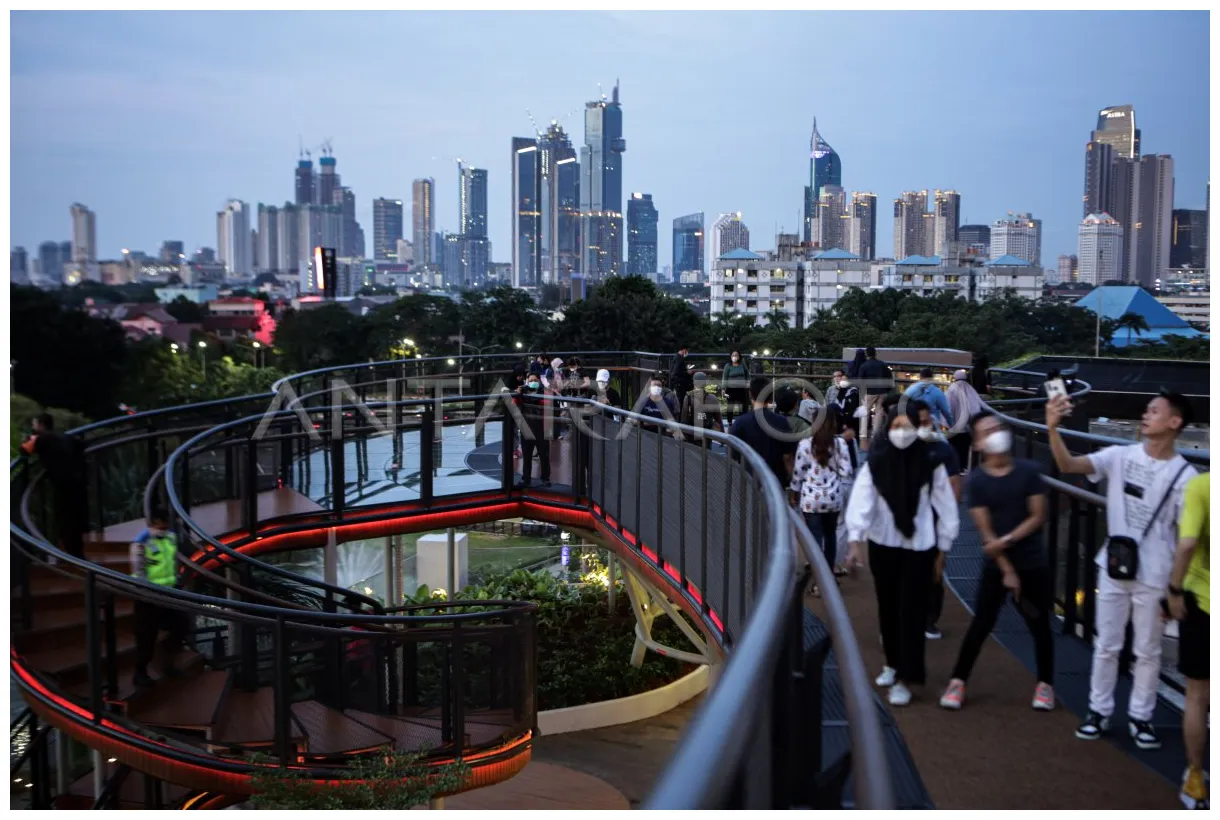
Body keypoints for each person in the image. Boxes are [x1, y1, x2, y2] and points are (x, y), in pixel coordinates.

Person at [1046, 390, 1196, 748]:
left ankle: (1140, 717)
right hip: (1113, 566)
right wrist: (1052, 430)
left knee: (1148, 650)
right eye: (1146, 410)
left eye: (1155, 411)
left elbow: (1185, 537)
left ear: (1175, 422)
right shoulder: (1120, 456)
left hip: (1155, 574)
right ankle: (1099, 711)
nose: (1146, 416)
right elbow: (1069, 466)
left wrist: (1175, 588)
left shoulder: (1186, 477)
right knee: (1106, 643)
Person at [844, 403, 959, 707]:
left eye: (908, 425)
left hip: (919, 546)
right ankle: (892, 664)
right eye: (896, 425)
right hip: (883, 542)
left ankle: (907, 677)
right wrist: (855, 540)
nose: (902, 431)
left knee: (911, 611)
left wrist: (943, 548)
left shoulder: (931, 462)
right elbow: (862, 501)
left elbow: (946, 506)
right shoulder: (877, 463)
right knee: (888, 607)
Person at [938, 413, 1054, 712]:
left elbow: (1038, 515)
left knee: (1040, 625)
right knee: (981, 623)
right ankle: (958, 681)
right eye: (986, 431)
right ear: (977, 443)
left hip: (1033, 562)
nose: (994, 434)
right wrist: (1007, 568)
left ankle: (1045, 684)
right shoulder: (976, 481)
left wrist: (1006, 541)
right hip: (996, 564)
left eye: (997, 428)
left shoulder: (1030, 471)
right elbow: (985, 532)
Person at [1169, 471, 1209, 809]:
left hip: (1203, 602)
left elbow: (1187, 542)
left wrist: (1173, 589)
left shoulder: (1202, 485)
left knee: (1196, 694)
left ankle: (1196, 776)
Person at [914, 401, 963, 641]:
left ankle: (928, 619)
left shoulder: (943, 450)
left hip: (934, 520)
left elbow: (955, 484)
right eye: (919, 422)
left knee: (935, 570)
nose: (924, 426)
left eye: (927, 421)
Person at [790, 416, 852, 596]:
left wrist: (794, 492)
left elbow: (798, 473)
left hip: (811, 501)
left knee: (815, 541)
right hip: (833, 499)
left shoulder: (805, 444)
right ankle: (830, 577)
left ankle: (818, 582)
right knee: (830, 537)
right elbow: (846, 471)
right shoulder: (840, 444)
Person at [129, 508, 188, 688]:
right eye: (159, 523)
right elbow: (139, 572)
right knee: (146, 636)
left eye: (165, 523)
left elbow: (174, 561)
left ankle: (168, 664)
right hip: (147, 597)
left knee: (180, 628)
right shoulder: (141, 542)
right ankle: (140, 672)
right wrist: (147, 593)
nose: (162, 527)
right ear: (152, 523)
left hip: (169, 593)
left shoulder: (171, 537)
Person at [21, 413, 88, 559]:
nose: (33, 427)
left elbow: (24, 450)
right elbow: (82, 445)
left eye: (34, 424)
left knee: (64, 519)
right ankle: (78, 554)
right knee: (76, 519)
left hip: (62, 484)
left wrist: (32, 440)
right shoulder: (65, 436)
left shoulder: (40, 438)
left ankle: (71, 557)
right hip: (79, 481)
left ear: (41, 425)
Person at [728, 376, 796, 486]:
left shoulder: (740, 423)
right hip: (775, 484)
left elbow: (732, 456)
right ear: (770, 396)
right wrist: (795, 486)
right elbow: (788, 457)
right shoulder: (782, 422)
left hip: (747, 483)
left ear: (750, 394)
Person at [515, 374, 553, 488]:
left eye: (535, 380)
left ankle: (545, 478)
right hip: (526, 427)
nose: (533, 382)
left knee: (544, 455)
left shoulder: (545, 392)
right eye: (530, 380)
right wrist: (518, 393)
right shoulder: (523, 391)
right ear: (527, 381)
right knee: (527, 455)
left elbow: (546, 403)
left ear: (539, 381)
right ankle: (526, 479)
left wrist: (526, 396)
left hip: (542, 429)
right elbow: (514, 403)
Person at [946, 369, 984, 472]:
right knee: (965, 450)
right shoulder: (970, 389)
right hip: (967, 428)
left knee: (954, 449)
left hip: (954, 428)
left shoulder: (951, 390)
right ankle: (964, 468)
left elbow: (947, 409)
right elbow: (977, 406)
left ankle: (955, 469)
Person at [857, 347, 894, 447]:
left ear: (867, 354)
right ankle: (876, 434)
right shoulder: (882, 364)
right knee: (879, 412)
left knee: (865, 412)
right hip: (882, 391)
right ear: (875, 353)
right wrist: (888, 389)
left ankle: (863, 434)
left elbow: (861, 380)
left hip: (869, 391)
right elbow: (889, 378)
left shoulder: (864, 365)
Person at [680, 372, 724, 445]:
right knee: (706, 454)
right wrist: (722, 436)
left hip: (692, 434)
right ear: (705, 383)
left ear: (694, 383)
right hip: (706, 434)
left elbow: (684, 419)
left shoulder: (688, 397)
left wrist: (683, 436)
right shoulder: (712, 398)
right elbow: (718, 419)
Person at [721, 349, 750, 424]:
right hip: (731, 389)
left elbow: (747, 374)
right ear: (731, 356)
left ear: (739, 356)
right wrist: (723, 388)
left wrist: (748, 382)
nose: (734, 357)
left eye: (736, 355)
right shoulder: (728, 366)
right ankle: (729, 422)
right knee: (730, 406)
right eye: (733, 355)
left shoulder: (742, 364)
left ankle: (742, 422)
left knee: (742, 407)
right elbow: (725, 377)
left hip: (741, 389)